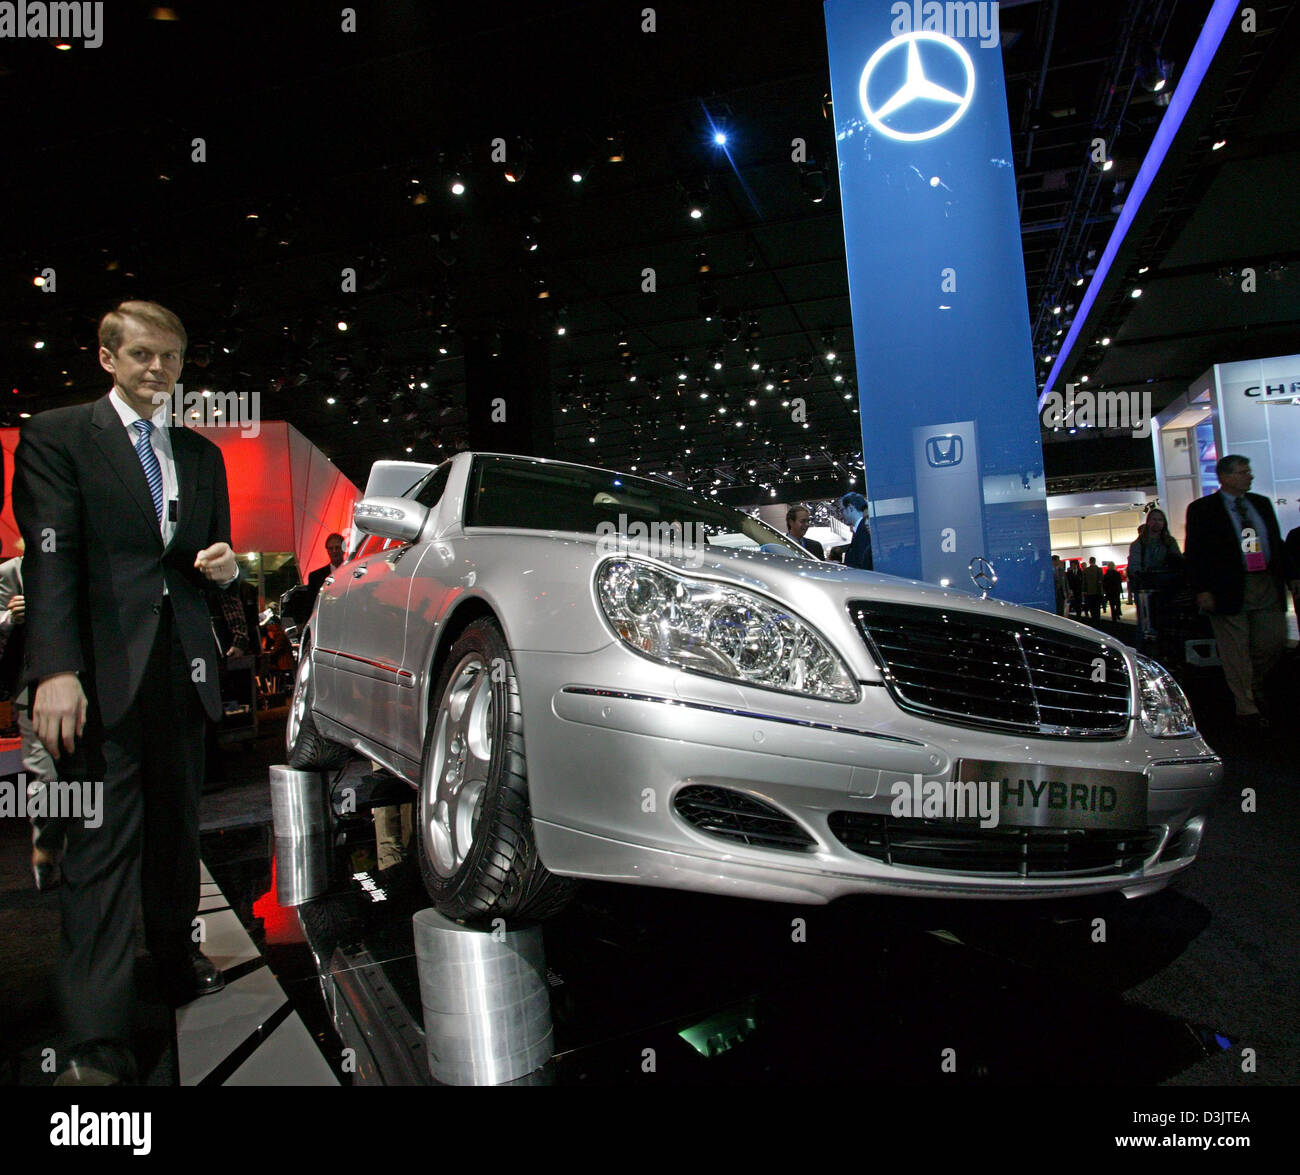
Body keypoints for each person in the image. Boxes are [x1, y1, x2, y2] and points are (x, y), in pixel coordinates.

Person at [12, 300, 241, 1086]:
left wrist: (227, 567)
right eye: (144, 355)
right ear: (108, 357)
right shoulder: (58, 435)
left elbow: (210, 553)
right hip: (98, 680)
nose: (159, 370)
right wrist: (55, 668)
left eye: (172, 358)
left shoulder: (201, 455)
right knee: (100, 852)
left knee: (178, 839)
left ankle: (176, 961)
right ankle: (94, 1037)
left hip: (184, 672)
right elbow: (52, 558)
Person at [1183, 455, 1298, 727]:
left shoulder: (1260, 504)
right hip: (1227, 588)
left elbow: (1274, 542)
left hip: (1265, 582)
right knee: (1234, 649)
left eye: (1248, 470)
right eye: (1243, 472)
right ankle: (1246, 707)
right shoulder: (1203, 509)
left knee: (1272, 640)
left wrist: (1292, 575)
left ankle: (1251, 681)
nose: (1250, 476)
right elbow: (1196, 552)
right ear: (1225, 477)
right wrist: (1202, 589)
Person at [1127, 507, 1185, 656]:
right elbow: (1134, 567)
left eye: (1160, 520)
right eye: (1153, 519)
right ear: (1148, 522)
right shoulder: (1139, 544)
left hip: (1168, 588)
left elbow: (1179, 562)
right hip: (1146, 589)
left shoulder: (1169, 542)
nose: (1157, 523)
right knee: (1145, 625)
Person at [838, 493, 873, 570]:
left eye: (842, 510)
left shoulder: (866, 529)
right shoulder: (860, 529)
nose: (841, 515)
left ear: (850, 508)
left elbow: (862, 562)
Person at [1081, 556, 1104, 622]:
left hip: (1089, 592)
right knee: (1097, 607)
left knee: (1091, 607)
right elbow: (1101, 580)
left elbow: (1084, 582)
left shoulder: (1086, 570)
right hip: (1097, 591)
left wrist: (1084, 591)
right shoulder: (1099, 569)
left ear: (1089, 562)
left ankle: (1093, 619)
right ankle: (1098, 620)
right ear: (1095, 561)